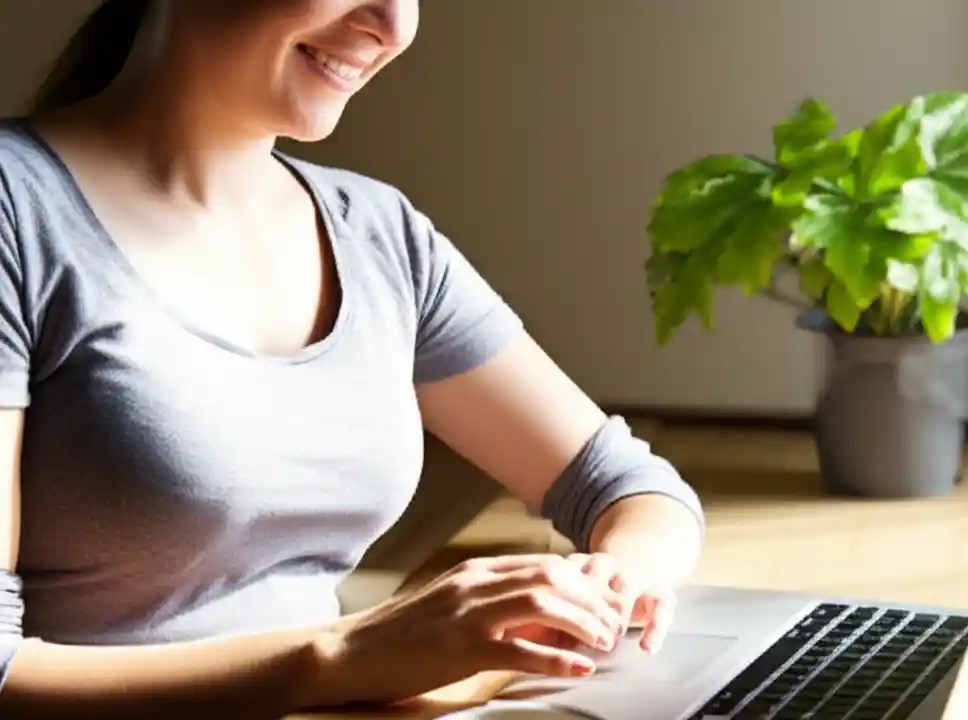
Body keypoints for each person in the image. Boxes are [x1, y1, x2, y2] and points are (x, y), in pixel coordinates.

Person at [0, 1, 705, 717]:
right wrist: (345, 654)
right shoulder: (15, 215)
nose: (393, 28)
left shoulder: (378, 235)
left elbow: (627, 484)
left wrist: (606, 591)